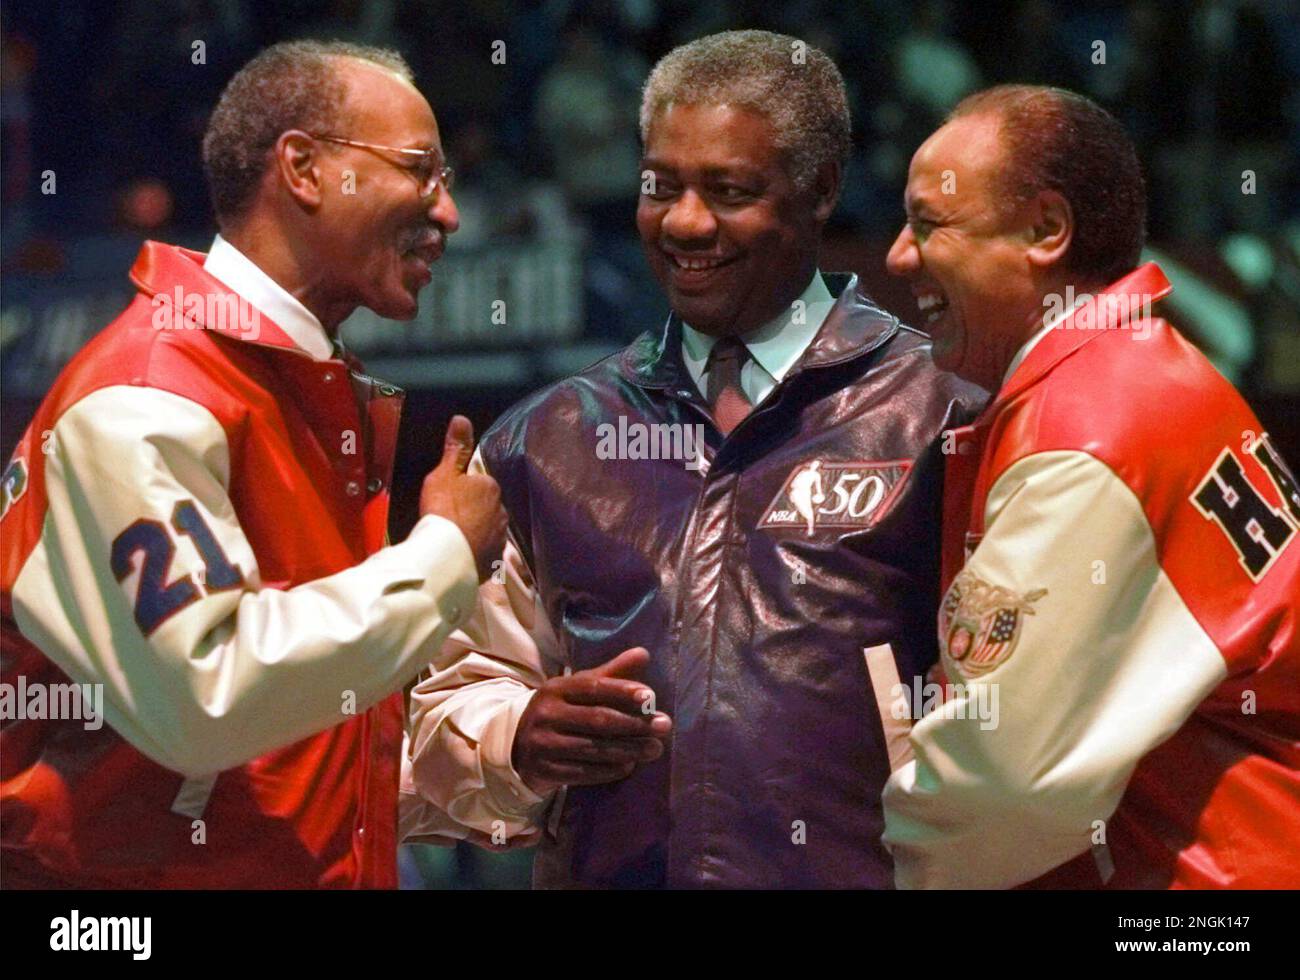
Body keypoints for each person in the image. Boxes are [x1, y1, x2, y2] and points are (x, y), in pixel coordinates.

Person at [402, 30, 985, 888]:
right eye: (659, 187)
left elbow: (1022, 714)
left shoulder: (943, 411)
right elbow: (437, 723)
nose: (684, 222)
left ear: (820, 191)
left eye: (729, 191)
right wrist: (516, 732)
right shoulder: (546, 438)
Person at [0, 40, 506, 888]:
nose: (447, 211)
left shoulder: (286, 389)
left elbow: (286, 766)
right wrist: (444, 554)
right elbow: (211, 694)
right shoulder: (145, 394)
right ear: (304, 169)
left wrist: (510, 751)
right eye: (420, 171)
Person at [880, 84, 1300, 889]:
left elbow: (1003, 784)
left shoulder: (1082, 431)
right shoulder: (1149, 370)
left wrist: (898, 857)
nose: (899, 254)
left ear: (1045, 230)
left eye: (929, 222)